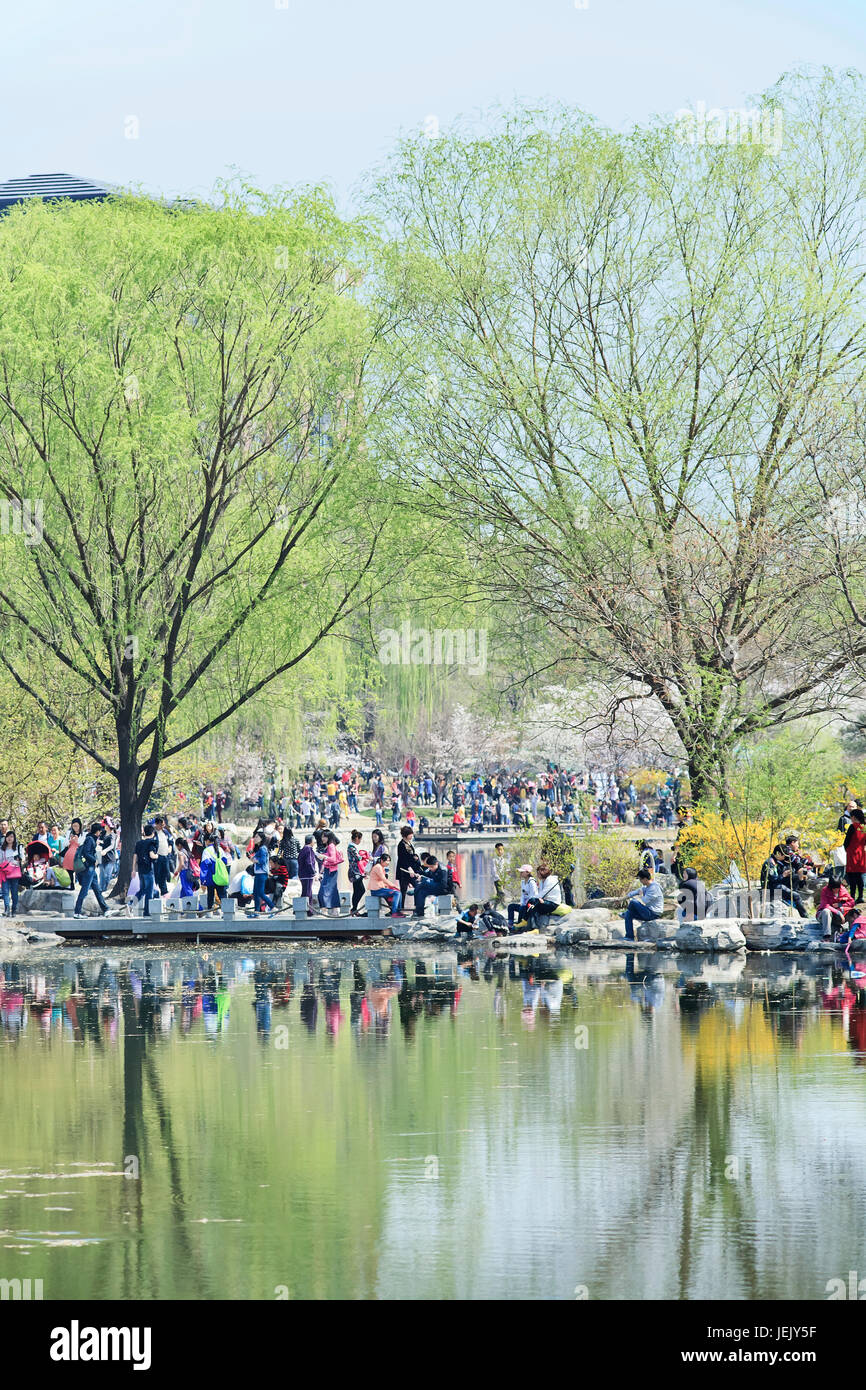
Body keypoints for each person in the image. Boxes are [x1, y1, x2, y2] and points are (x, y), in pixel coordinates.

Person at [73, 822, 113, 918]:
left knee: (97, 889)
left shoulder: (91, 838)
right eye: (100, 831)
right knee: (84, 890)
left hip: (91, 869)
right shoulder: (90, 839)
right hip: (89, 869)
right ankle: (77, 912)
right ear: (97, 831)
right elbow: (86, 853)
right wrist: (95, 860)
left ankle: (106, 909)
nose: (100, 833)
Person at [622, 868, 665, 941]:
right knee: (628, 914)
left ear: (645, 879)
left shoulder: (654, 888)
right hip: (647, 911)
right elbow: (635, 892)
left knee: (633, 902)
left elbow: (644, 901)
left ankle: (624, 913)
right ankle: (629, 937)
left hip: (653, 913)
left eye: (640, 879)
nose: (640, 881)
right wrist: (624, 898)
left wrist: (641, 895)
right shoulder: (646, 887)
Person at [524, 861, 561, 932]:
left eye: (538, 873)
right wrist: (539, 899)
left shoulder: (551, 880)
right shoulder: (542, 881)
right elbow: (540, 895)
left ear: (543, 873)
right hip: (545, 901)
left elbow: (542, 894)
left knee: (532, 901)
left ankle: (525, 920)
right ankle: (534, 928)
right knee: (533, 907)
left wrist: (539, 899)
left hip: (553, 903)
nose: (537, 875)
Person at [818, 870, 855, 940]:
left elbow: (852, 902)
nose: (836, 890)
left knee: (853, 913)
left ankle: (852, 935)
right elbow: (825, 905)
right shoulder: (824, 890)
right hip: (826, 915)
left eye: (837, 888)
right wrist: (838, 912)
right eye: (834, 889)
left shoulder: (843, 890)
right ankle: (827, 936)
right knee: (826, 911)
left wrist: (840, 905)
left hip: (840, 916)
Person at [132, 824, 159, 917]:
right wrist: (157, 856)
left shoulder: (139, 843)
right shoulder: (151, 843)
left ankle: (130, 904)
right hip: (148, 870)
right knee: (149, 892)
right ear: (152, 833)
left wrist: (133, 870)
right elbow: (152, 855)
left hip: (140, 870)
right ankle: (147, 912)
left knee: (142, 890)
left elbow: (135, 857)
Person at [367, 852, 405, 917]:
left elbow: (383, 881)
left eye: (389, 861)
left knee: (398, 892)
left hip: (380, 889)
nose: (388, 862)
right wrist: (395, 886)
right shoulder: (378, 867)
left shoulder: (381, 867)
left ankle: (398, 911)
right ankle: (394, 912)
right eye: (387, 861)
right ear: (382, 860)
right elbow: (384, 879)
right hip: (376, 890)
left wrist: (392, 887)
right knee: (397, 893)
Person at [396, 826, 422, 910]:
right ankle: (400, 909)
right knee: (403, 891)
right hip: (404, 871)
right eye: (410, 834)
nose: (412, 836)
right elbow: (402, 859)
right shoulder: (401, 845)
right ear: (405, 835)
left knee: (418, 887)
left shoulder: (409, 843)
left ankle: (417, 907)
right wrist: (409, 868)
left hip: (412, 871)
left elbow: (411, 855)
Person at [0, 829, 24, 917]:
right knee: (5, 891)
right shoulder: (2, 849)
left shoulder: (18, 848)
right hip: (5, 872)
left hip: (14, 873)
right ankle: (7, 909)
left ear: (14, 838)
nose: (9, 838)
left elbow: (22, 858)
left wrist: (18, 859)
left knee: (14, 892)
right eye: (8, 837)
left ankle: (14, 909)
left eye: (11, 836)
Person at [317, 833, 344, 912]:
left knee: (323, 891)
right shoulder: (330, 846)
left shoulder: (330, 846)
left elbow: (332, 859)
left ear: (329, 837)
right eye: (322, 836)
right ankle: (335, 910)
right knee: (332, 890)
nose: (323, 838)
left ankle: (324, 910)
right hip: (330, 870)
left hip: (330, 871)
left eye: (324, 836)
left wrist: (323, 856)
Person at [507, 864, 538, 931]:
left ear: (527, 872)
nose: (520, 873)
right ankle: (510, 923)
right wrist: (522, 902)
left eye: (522, 872)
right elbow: (522, 894)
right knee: (511, 906)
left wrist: (525, 904)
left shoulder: (531, 882)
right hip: (524, 905)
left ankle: (518, 926)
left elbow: (533, 896)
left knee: (522, 908)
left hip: (530, 905)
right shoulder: (523, 882)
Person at [251, 831, 275, 915]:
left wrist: (254, 860)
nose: (255, 838)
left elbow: (263, 861)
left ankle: (272, 907)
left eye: (257, 837)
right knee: (256, 893)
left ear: (261, 839)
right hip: (258, 873)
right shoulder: (259, 848)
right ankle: (256, 912)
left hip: (262, 873)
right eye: (255, 837)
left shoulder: (263, 848)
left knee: (260, 892)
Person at [844, 809, 866, 904]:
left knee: (852, 876)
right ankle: (860, 896)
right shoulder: (864, 827)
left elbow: (846, 842)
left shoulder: (852, 827)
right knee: (860, 876)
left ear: (853, 817)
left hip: (852, 854)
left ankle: (852, 896)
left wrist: (847, 849)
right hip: (862, 854)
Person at [347, 830, 368, 915]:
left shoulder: (352, 847)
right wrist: (366, 856)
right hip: (355, 871)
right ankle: (354, 909)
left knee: (357, 890)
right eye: (360, 839)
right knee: (360, 890)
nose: (360, 841)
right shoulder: (351, 847)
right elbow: (358, 857)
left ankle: (354, 909)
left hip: (356, 871)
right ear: (356, 838)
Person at [298, 835, 318, 910]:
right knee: (307, 893)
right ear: (311, 841)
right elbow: (309, 862)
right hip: (307, 874)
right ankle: (306, 909)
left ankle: (305, 909)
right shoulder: (308, 849)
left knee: (306, 892)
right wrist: (313, 873)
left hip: (302, 874)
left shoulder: (303, 849)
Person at [491, 842, 507, 908]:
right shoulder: (494, 860)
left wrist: (505, 879)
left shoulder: (505, 860)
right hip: (497, 879)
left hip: (504, 879)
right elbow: (494, 870)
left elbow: (506, 869)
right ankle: (504, 905)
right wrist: (499, 878)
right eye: (498, 850)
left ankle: (495, 905)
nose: (500, 851)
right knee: (501, 893)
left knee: (499, 893)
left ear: (503, 850)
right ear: (496, 850)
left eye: (501, 849)